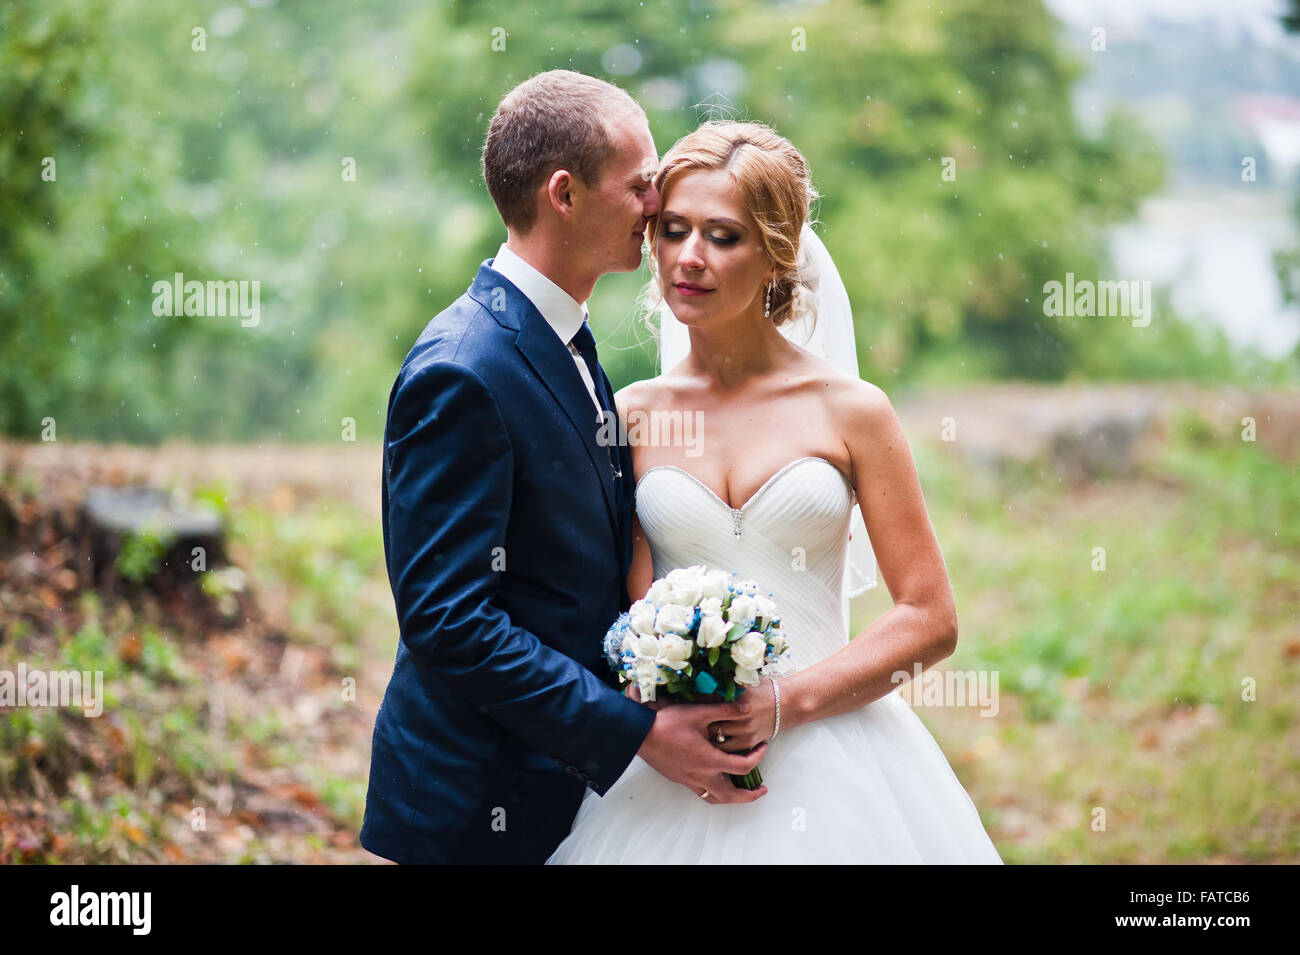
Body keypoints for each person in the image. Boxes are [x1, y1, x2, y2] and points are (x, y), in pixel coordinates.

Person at [546, 120, 1003, 863]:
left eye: (723, 236)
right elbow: (625, 608)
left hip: (839, 759)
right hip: (680, 762)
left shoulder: (854, 411)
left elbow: (930, 617)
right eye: (673, 229)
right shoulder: (627, 414)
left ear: (775, 256)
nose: (689, 257)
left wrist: (786, 703)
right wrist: (657, 699)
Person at [359, 73, 768, 865]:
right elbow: (450, 621)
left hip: (559, 792)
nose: (656, 206)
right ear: (564, 194)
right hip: (474, 808)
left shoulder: (567, 340)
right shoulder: (464, 369)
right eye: (640, 184)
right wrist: (637, 732)